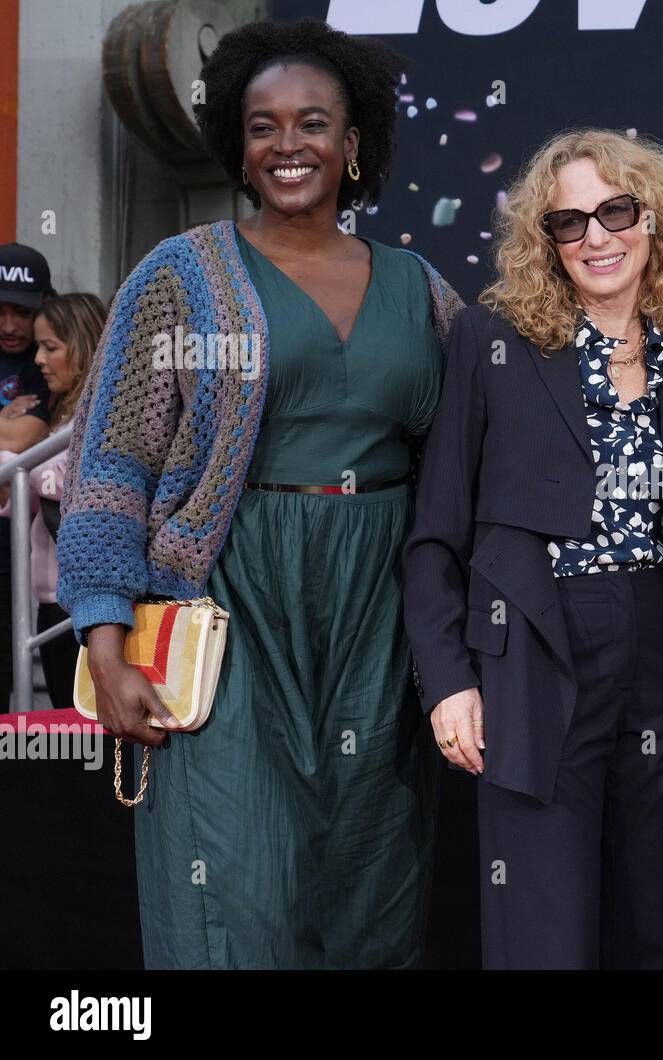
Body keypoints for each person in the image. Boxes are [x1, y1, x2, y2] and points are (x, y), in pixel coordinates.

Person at [56, 18, 463, 968]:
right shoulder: (180, 279)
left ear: (353, 142)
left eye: (312, 122)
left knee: (371, 884)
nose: (289, 145)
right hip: (226, 605)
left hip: (380, 614)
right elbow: (112, 466)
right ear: (238, 146)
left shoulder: (423, 290)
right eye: (263, 125)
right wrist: (104, 636)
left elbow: (484, 442)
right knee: (233, 888)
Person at [404, 128, 663, 969]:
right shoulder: (492, 340)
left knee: (660, 919)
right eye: (569, 223)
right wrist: (450, 681)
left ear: (655, 220)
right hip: (534, 645)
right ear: (545, 243)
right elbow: (437, 528)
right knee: (546, 928)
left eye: (615, 211)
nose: (596, 237)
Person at [0, 293, 106, 709]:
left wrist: (14, 465)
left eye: (51, 347)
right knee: (66, 722)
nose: (39, 360)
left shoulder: (101, 415)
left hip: (81, 607)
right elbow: (29, 499)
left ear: (81, 348)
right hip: (49, 603)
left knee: (86, 735)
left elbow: (70, 481)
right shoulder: (62, 416)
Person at [0, 243, 55, 707]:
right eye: (0, 311)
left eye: (22, 311)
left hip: (17, 542)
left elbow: (23, 440)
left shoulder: (47, 355)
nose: (9, 326)